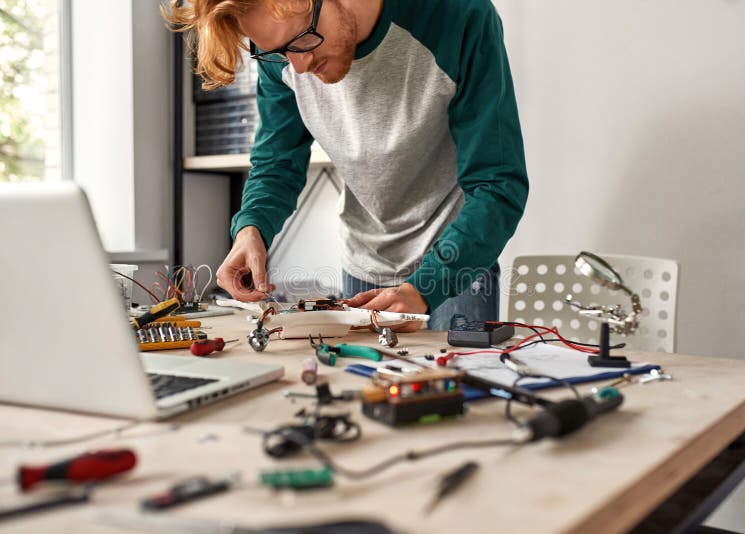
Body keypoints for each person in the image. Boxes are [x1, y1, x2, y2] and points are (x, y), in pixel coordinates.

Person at [164, 0, 528, 330]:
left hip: (456, 265)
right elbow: (276, 163)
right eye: (275, 52)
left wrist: (424, 287)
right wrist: (251, 230)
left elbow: (497, 185)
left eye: (302, 39)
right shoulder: (282, 56)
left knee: (458, 397)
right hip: (361, 263)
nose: (299, 66)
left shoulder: (460, 16)